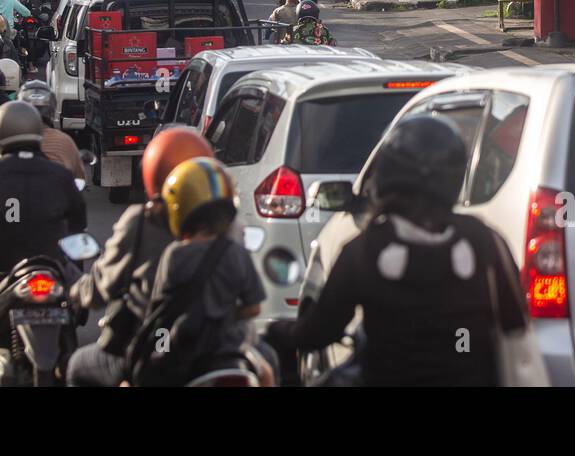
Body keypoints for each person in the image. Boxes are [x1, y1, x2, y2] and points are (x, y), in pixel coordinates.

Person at [264, 114, 544, 387]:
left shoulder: (363, 251)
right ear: (455, 178)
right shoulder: (484, 241)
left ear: (386, 176)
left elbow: (318, 332)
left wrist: (279, 333)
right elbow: (517, 336)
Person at [66, 128, 206, 387]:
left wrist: (76, 294)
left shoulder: (141, 221)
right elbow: (252, 304)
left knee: (76, 367)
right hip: (215, 352)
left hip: (153, 350)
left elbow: (102, 285)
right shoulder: (227, 224)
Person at [0, 102, 87, 360]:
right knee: (84, 290)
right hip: (54, 267)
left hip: (0, 271)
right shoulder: (58, 173)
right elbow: (79, 220)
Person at [126, 156, 273, 387]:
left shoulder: (174, 254)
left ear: (179, 208)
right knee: (268, 367)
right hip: (229, 353)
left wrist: (158, 354)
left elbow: (159, 312)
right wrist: (223, 316)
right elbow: (253, 308)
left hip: (182, 352)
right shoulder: (237, 253)